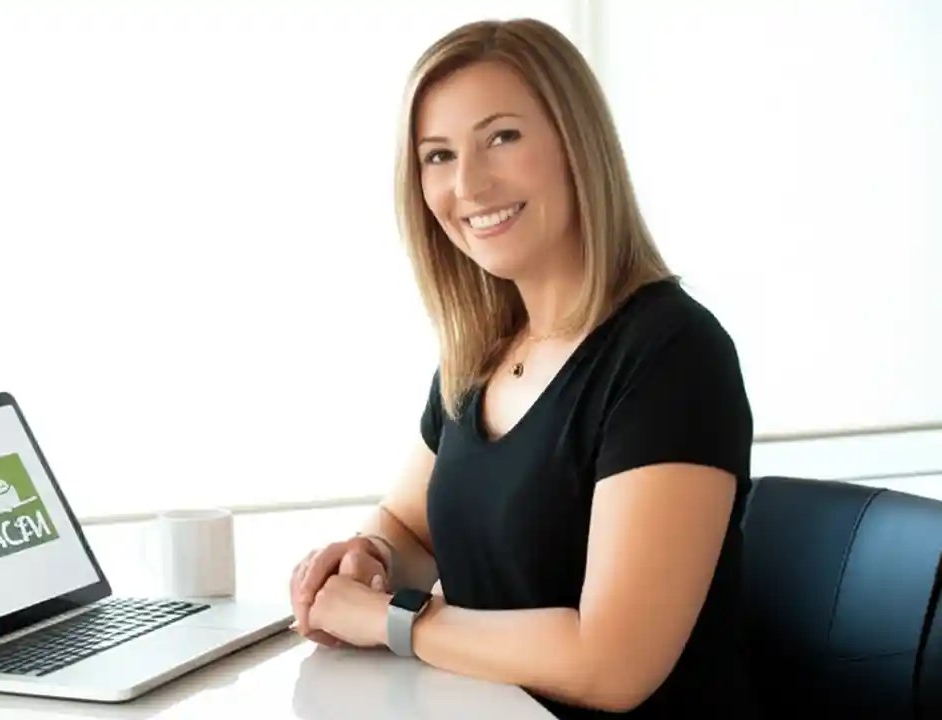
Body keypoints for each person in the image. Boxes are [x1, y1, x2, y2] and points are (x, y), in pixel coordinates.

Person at [288, 17, 760, 720]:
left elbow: (613, 664)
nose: (469, 184)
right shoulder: (480, 354)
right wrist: (371, 558)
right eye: (438, 156)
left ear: (577, 145)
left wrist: (391, 619)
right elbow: (413, 528)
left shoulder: (672, 356)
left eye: (501, 138)